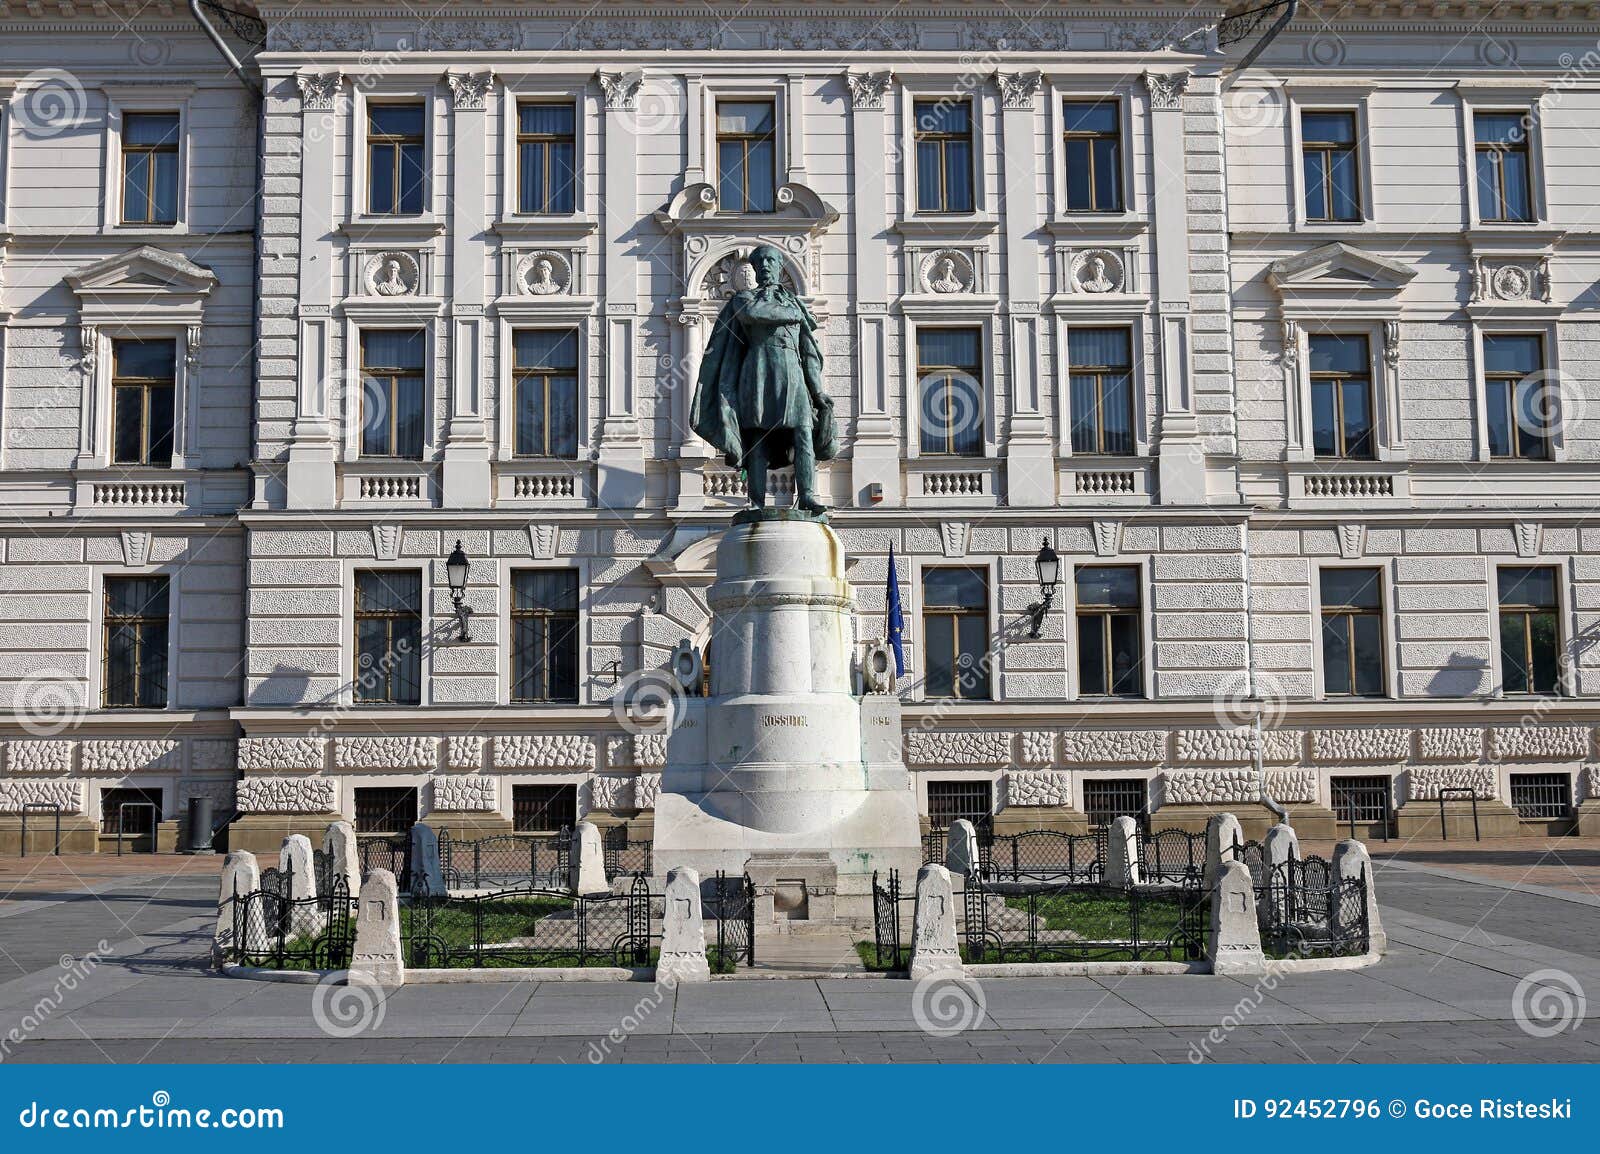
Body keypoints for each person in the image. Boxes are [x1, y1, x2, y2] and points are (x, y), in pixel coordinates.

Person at [691, 245, 836, 516]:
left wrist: (817, 391)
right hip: (757, 373)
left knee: (803, 433)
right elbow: (754, 315)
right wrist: (795, 314)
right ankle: (756, 501)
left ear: (780, 267)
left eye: (771, 261)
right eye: (761, 262)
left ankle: (806, 497)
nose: (766, 266)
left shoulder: (793, 303)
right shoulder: (745, 299)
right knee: (757, 438)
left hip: (793, 374)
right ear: (755, 269)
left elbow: (808, 351)